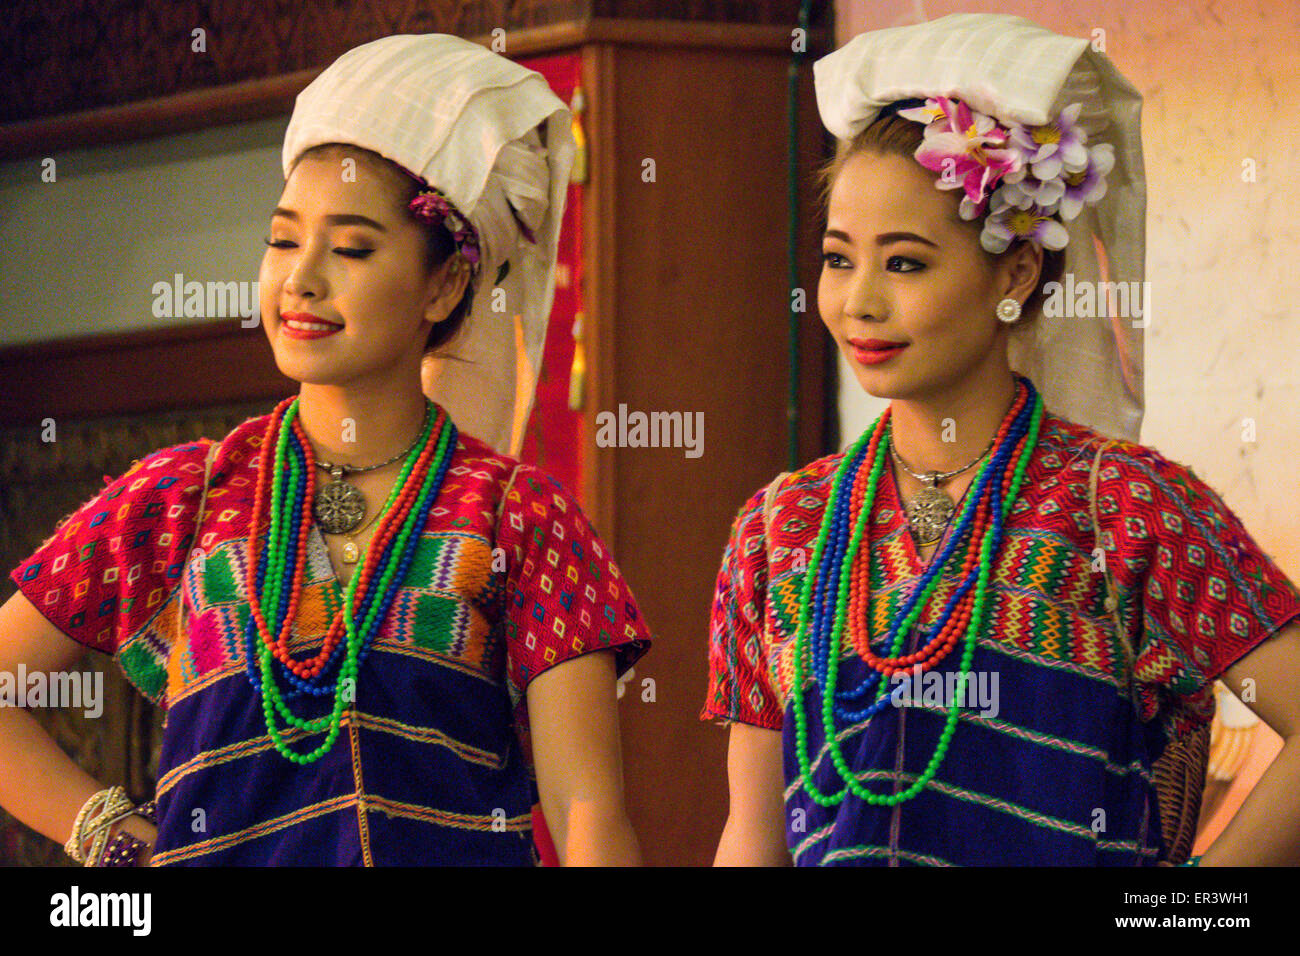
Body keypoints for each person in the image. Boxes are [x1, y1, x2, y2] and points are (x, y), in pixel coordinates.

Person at [0, 33, 650, 866]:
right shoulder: (186, 501)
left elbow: (588, 809)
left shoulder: (518, 520)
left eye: (350, 249)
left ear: (445, 283)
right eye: (282, 240)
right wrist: (109, 835)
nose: (301, 278)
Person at [703, 13, 1300, 866]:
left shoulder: (1124, 509)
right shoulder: (778, 530)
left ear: (1015, 272)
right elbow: (753, 834)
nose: (859, 301)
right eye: (839, 259)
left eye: (904, 262)